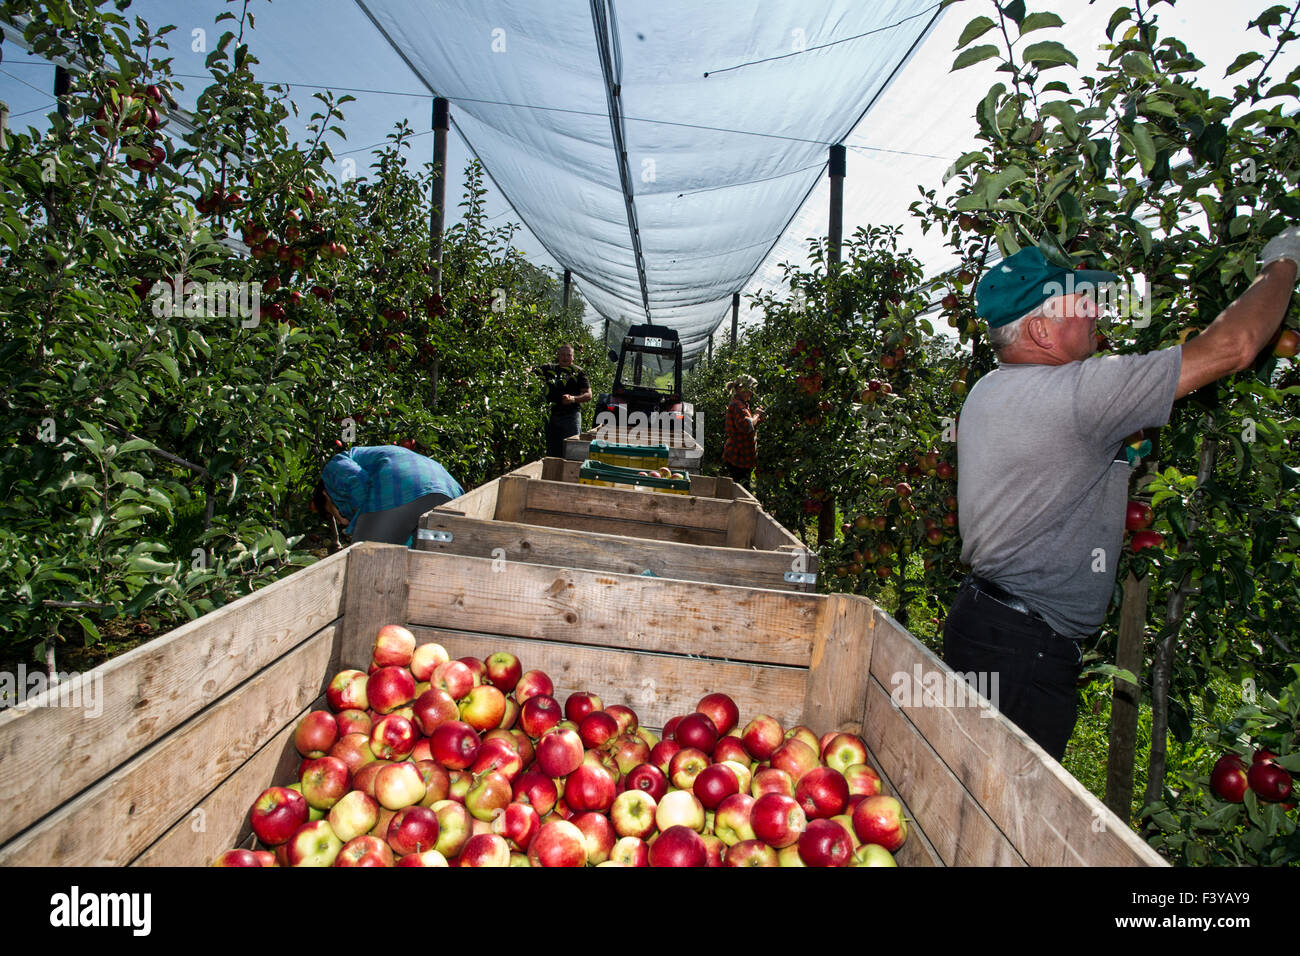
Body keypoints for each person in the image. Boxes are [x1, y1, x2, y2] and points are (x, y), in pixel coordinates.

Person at [943, 228, 1300, 761]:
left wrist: (1112, 455)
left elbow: (1051, 464)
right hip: (1026, 651)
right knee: (1009, 818)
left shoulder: (989, 390)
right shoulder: (1083, 391)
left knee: (968, 789)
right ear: (1040, 329)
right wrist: (1283, 263)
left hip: (984, 624)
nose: (1095, 310)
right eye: (1079, 300)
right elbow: (1236, 347)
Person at [311, 444, 465, 547]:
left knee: (362, 564)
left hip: (400, 490)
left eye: (334, 512)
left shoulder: (333, 469)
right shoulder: (374, 455)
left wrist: (358, 525)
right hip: (449, 493)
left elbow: (356, 484)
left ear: (326, 494)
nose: (342, 521)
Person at [537, 344, 592, 458]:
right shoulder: (549, 369)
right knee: (552, 452)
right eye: (562, 355)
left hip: (571, 417)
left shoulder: (578, 372)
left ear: (573, 357)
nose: (565, 358)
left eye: (568, 355)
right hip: (552, 416)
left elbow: (588, 394)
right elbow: (531, 371)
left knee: (572, 451)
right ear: (558, 356)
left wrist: (573, 399)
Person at [722, 374, 763, 488]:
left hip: (742, 457)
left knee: (740, 488)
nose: (752, 392)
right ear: (740, 389)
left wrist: (757, 418)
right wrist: (756, 415)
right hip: (738, 457)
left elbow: (748, 426)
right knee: (740, 491)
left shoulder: (743, 405)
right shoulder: (737, 405)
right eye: (750, 389)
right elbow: (746, 425)